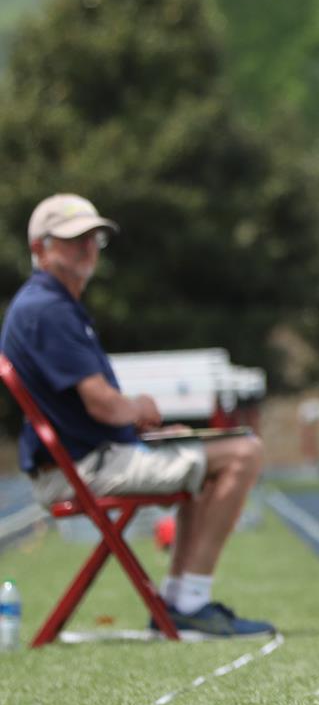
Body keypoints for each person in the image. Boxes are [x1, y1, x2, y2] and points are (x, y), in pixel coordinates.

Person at [2, 194, 273, 637]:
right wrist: (141, 410)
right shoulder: (46, 309)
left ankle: (181, 603)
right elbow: (102, 404)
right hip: (80, 469)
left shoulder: (52, 304)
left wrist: (152, 430)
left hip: (86, 458)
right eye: (73, 240)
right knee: (244, 452)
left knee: (209, 451)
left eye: (93, 239)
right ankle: (188, 603)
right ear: (39, 249)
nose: (87, 249)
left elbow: (90, 410)